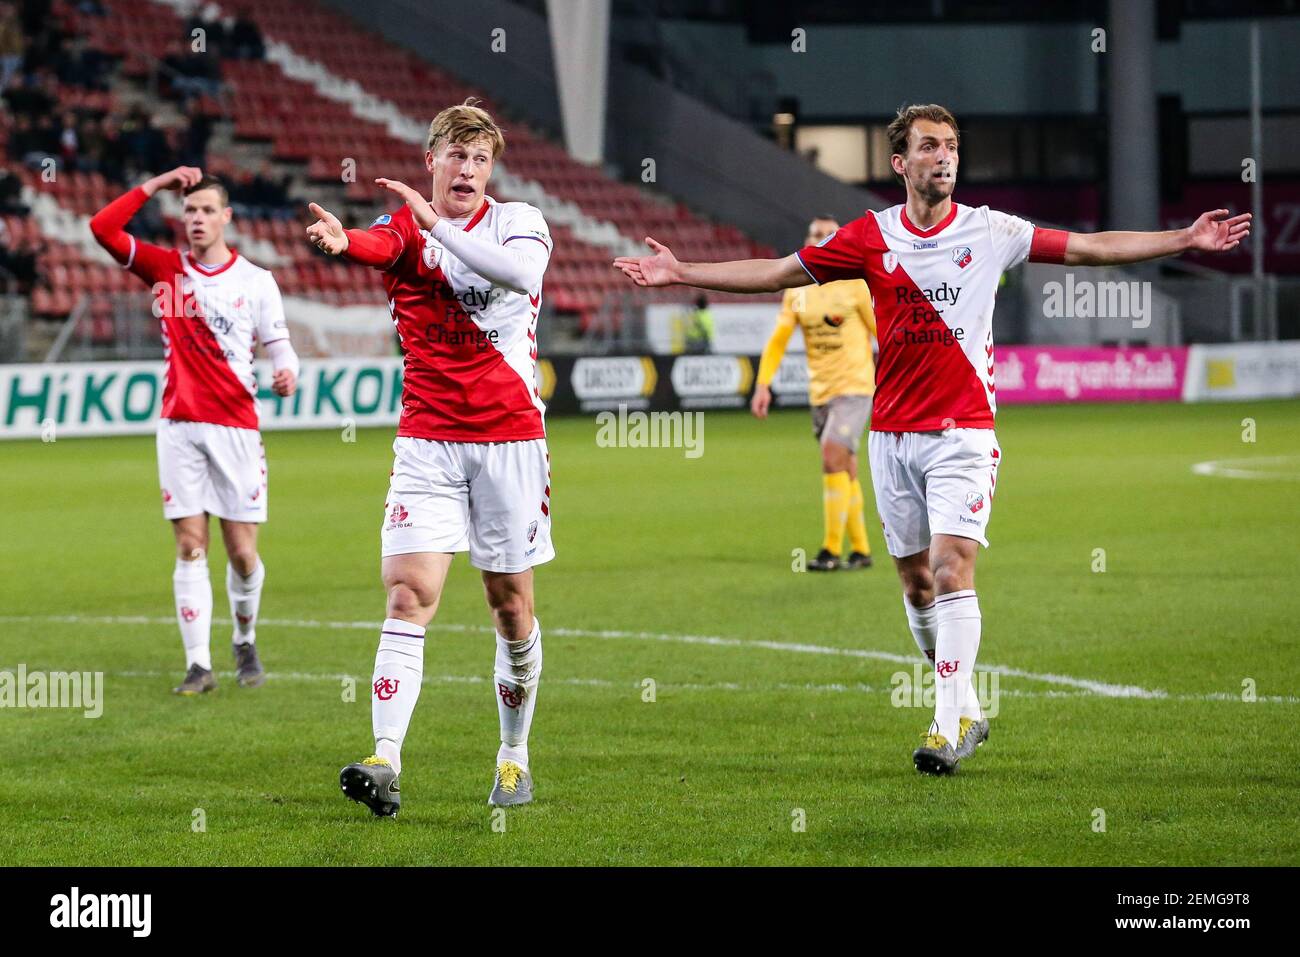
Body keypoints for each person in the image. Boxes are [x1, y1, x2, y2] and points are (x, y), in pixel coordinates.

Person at [615, 103, 1250, 775]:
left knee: (952, 568)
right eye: (928, 146)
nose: (944, 155)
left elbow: (1089, 247)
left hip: (963, 434)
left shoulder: (992, 230)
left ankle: (945, 726)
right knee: (918, 586)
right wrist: (683, 273)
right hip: (892, 439)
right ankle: (969, 705)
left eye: (950, 145)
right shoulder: (869, 235)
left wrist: (1182, 239)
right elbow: (778, 272)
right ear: (902, 163)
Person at [305, 99, 554, 814]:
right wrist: (343, 240)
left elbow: (519, 278)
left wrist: (438, 224)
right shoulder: (403, 227)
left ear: (492, 168)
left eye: (480, 158)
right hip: (427, 441)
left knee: (510, 607)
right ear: (431, 162)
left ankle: (513, 755)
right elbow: (381, 245)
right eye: (456, 155)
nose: (468, 168)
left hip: (509, 441)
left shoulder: (521, 222)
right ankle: (385, 757)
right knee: (408, 593)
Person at [89, 167, 300, 695]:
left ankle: (245, 639)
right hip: (179, 428)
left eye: (207, 210)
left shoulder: (255, 280)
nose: (198, 219)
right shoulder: (165, 269)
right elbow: (102, 228)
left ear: (226, 217)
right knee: (189, 546)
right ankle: (198, 665)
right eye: (190, 211)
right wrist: (155, 184)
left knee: (243, 554)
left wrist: (287, 370)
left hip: (236, 428)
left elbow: (279, 345)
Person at [752, 214, 878, 572]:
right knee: (845, 466)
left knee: (831, 455)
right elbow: (778, 340)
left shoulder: (855, 285)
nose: (822, 239)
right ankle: (862, 550)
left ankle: (830, 550)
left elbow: (882, 332)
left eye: (829, 235)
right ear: (808, 242)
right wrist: (763, 384)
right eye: (816, 235)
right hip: (820, 392)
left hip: (855, 386)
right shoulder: (798, 291)